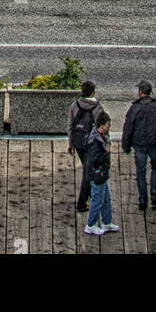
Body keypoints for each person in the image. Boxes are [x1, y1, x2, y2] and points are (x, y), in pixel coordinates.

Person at [121, 80, 156, 210]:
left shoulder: (135, 108)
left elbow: (128, 128)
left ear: (140, 92)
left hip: (139, 145)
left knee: (140, 172)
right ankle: (154, 193)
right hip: (155, 144)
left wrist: (126, 146)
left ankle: (143, 199)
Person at [67, 79, 106, 213]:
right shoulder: (97, 107)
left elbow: (70, 126)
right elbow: (102, 128)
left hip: (78, 143)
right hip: (91, 144)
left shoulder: (74, 105)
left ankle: (88, 196)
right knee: (88, 172)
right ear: (93, 93)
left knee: (87, 168)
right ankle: (82, 203)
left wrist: (70, 143)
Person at [84, 115, 119, 236]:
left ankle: (107, 222)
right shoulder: (95, 140)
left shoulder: (99, 137)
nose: (109, 127)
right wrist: (106, 152)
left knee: (105, 199)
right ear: (102, 125)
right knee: (97, 200)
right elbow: (95, 159)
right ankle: (91, 225)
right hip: (97, 175)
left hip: (102, 174)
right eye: (107, 125)